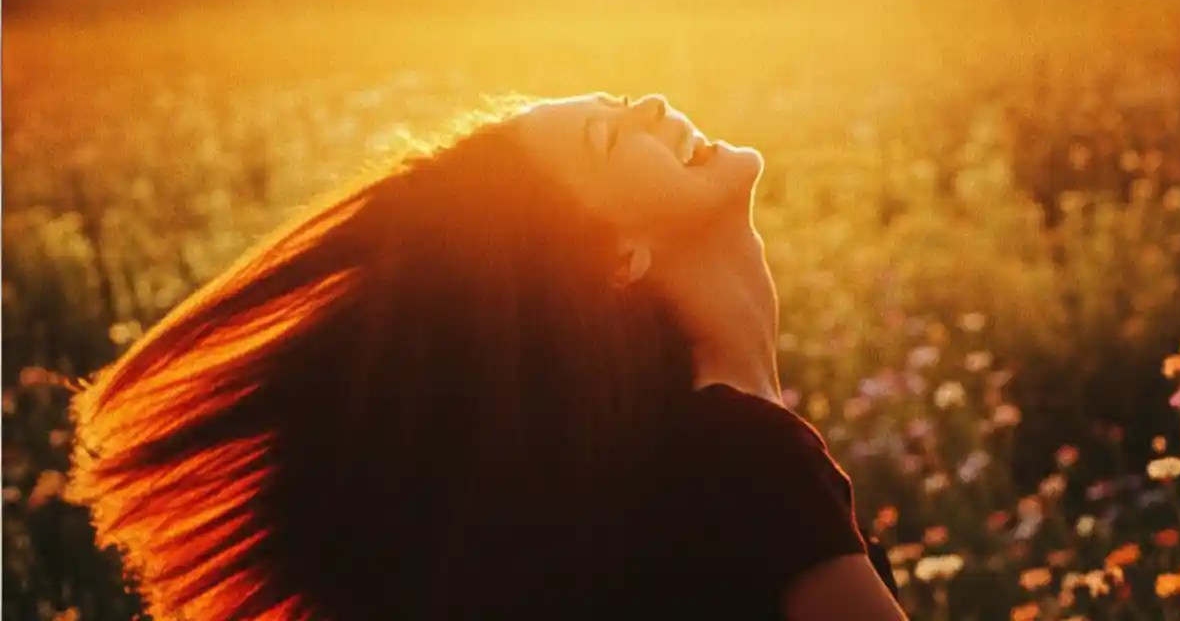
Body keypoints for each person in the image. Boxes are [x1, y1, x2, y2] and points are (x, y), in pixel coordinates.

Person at [65, 92, 906, 620]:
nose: (652, 104)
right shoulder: (745, 461)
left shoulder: (656, 467)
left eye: (618, 105)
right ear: (616, 257)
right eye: (611, 136)